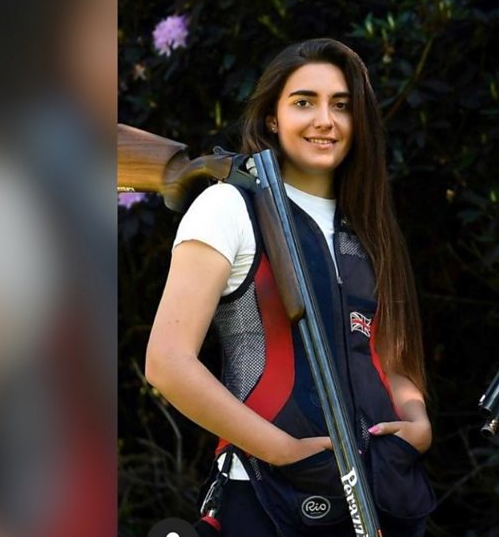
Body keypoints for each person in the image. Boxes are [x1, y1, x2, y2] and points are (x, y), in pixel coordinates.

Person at [145, 39, 436, 535]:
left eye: (341, 105)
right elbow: (167, 363)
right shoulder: (228, 206)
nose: (325, 120)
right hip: (266, 493)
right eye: (304, 102)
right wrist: (280, 449)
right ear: (273, 118)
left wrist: (416, 419)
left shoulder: (368, 227)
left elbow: (387, 355)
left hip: (379, 493)